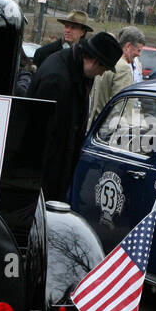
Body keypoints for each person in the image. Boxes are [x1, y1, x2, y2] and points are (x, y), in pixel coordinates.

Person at [29, 32, 122, 200]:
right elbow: (42, 136)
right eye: (103, 69)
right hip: (46, 175)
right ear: (94, 61)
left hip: (59, 166)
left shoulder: (77, 70)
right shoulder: (57, 79)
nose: (101, 74)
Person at [89, 26, 145, 125]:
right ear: (128, 46)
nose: (139, 54)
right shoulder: (124, 68)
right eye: (138, 50)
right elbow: (121, 108)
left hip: (96, 124)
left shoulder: (106, 62)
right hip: (109, 129)